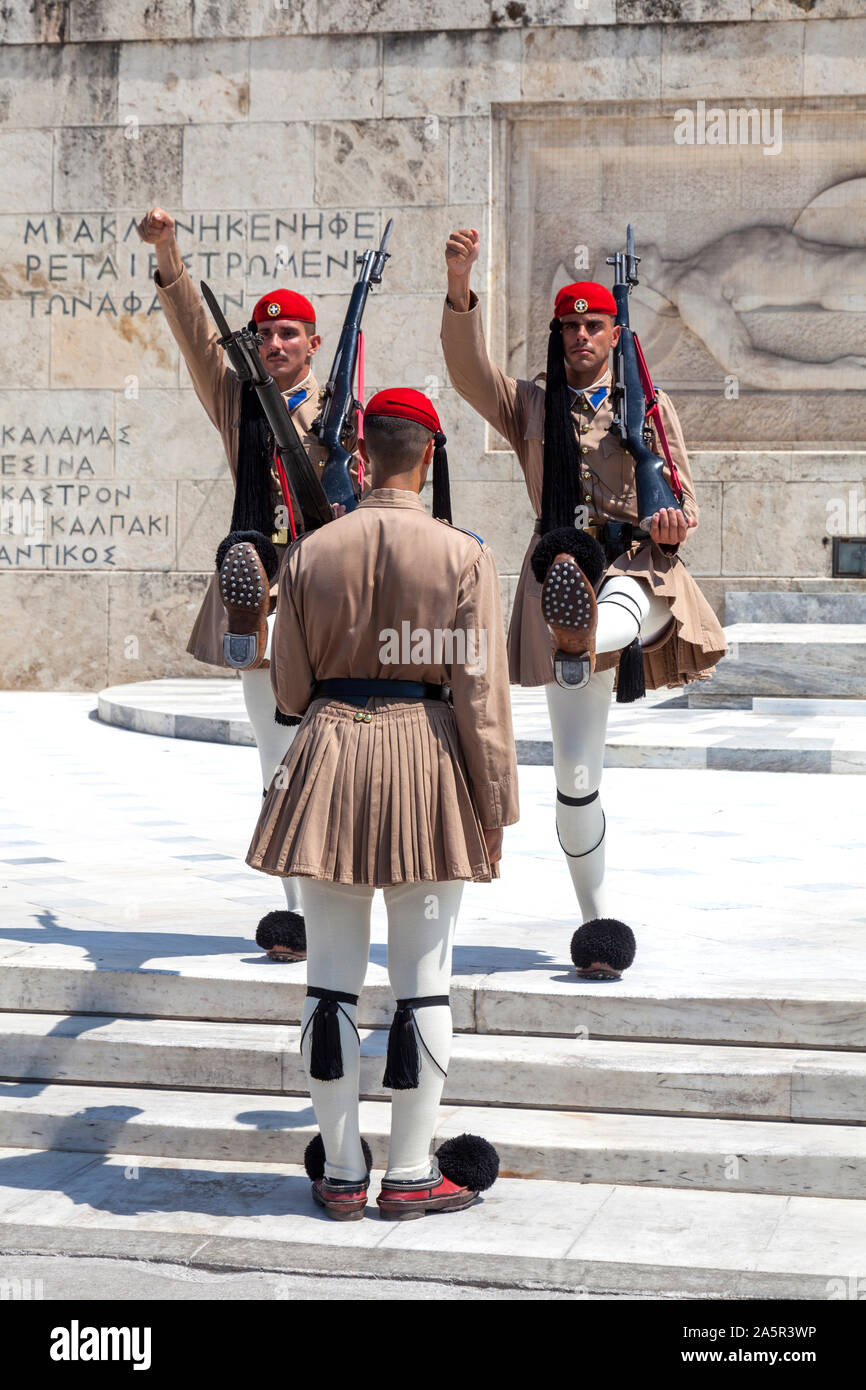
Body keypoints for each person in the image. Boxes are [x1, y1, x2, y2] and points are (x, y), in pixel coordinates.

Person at [245, 388, 518, 1219]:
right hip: (424, 758)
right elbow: (481, 697)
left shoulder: (311, 553)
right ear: (428, 457)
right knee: (422, 981)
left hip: (328, 750)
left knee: (329, 979)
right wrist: (494, 807)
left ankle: (337, 1172)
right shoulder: (464, 557)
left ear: (359, 456)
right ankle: (408, 1174)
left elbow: (288, 689)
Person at [441, 227, 726, 981]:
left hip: (639, 572)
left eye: (592, 324)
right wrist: (460, 287)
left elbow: (686, 505)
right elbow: (470, 374)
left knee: (620, 601)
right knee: (574, 776)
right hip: (564, 571)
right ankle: (596, 923)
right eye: (568, 326)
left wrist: (671, 521)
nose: (578, 336)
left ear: (614, 333)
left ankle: (583, 631)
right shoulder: (533, 408)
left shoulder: (651, 409)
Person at [138, 206, 364, 962]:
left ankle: (345, 887)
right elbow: (198, 340)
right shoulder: (240, 402)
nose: (272, 345)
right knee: (277, 756)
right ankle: (297, 909)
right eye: (264, 335)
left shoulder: (345, 414)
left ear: (313, 343)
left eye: (286, 335)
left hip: (332, 591)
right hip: (262, 586)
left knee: (335, 751)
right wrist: (170, 255)